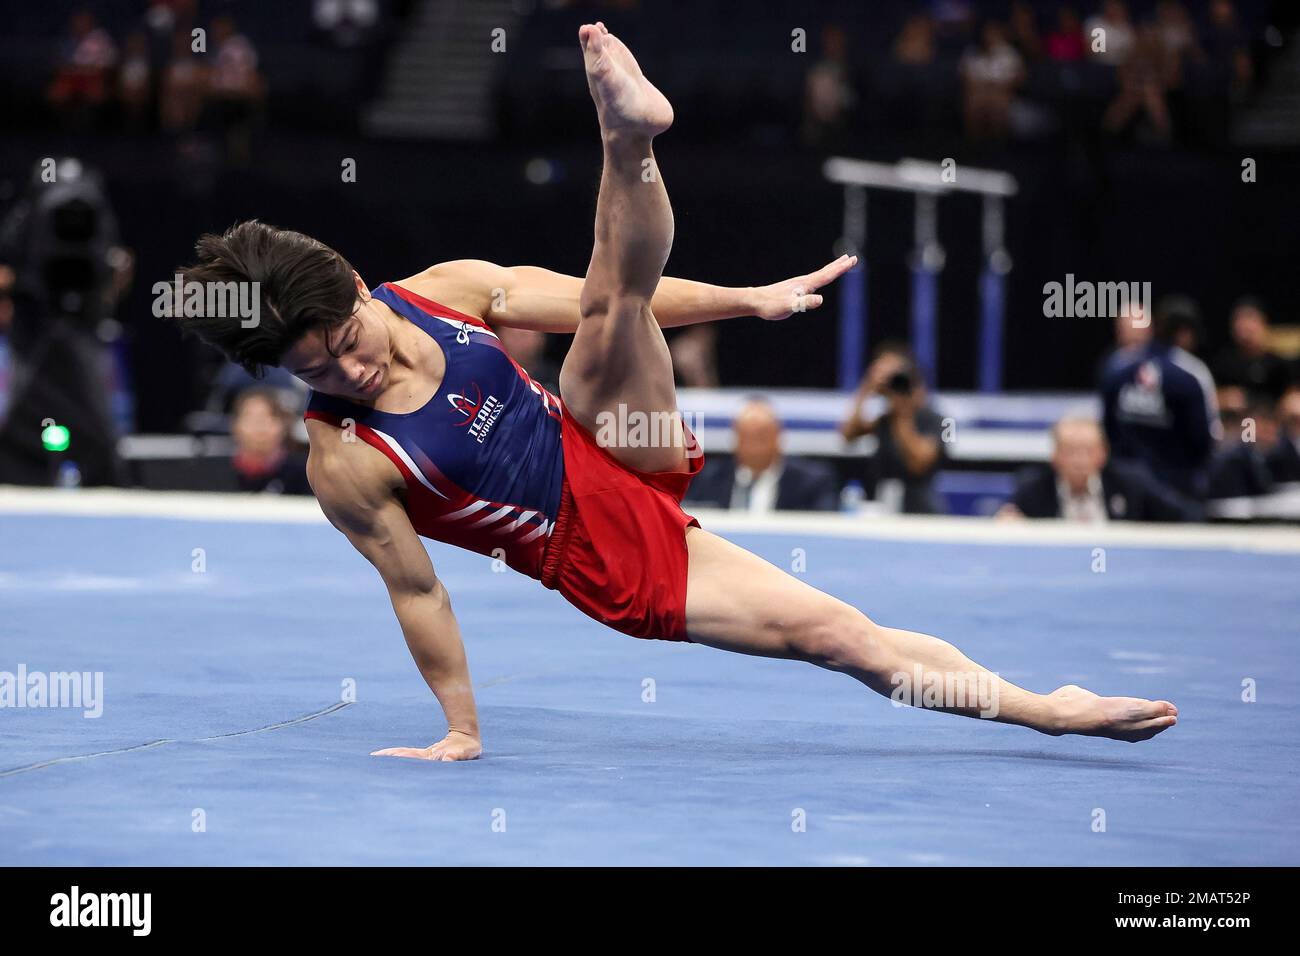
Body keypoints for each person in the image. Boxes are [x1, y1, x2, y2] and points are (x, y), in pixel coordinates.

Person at [171, 23, 1177, 759]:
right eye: (315, 372)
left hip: (611, 436)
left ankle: (628, 135)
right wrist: (462, 727)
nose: (347, 372)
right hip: (595, 547)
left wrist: (751, 300)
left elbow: (614, 292)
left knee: (613, 313)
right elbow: (417, 589)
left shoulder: (438, 293)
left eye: (345, 343)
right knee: (845, 640)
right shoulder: (343, 460)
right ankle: (1048, 706)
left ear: (354, 281)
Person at [1100, 295, 1219, 500]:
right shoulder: (1192, 372)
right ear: (1185, 334)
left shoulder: (1118, 368)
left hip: (1125, 486)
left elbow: (1106, 428)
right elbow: (1204, 438)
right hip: (1177, 488)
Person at [999, 416, 1197, 522]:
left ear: (1103, 454)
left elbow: (1185, 515)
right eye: (1070, 451)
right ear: (1055, 456)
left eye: (1087, 451)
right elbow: (1008, 523)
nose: (1079, 461)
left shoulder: (1132, 483)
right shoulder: (1032, 490)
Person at [840, 343, 945, 514]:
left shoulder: (942, 420)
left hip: (921, 510)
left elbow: (920, 463)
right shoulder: (885, 419)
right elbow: (848, 435)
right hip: (881, 506)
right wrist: (866, 388)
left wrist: (902, 410)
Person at [686, 399, 838, 513]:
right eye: (746, 437)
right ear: (735, 440)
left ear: (778, 438)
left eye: (761, 437)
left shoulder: (811, 483)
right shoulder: (708, 479)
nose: (754, 446)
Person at [227, 386, 311, 495]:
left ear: (283, 426)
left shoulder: (306, 473)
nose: (260, 426)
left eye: (270, 416)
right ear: (235, 426)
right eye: (251, 418)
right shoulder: (212, 472)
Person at [1211, 299, 1292, 404]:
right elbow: (1209, 396)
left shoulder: (1277, 364)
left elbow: (1288, 396)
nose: (1245, 325)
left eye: (1251, 319)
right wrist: (1224, 397)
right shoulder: (1222, 363)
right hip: (1233, 418)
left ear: (1263, 324)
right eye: (1239, 320)